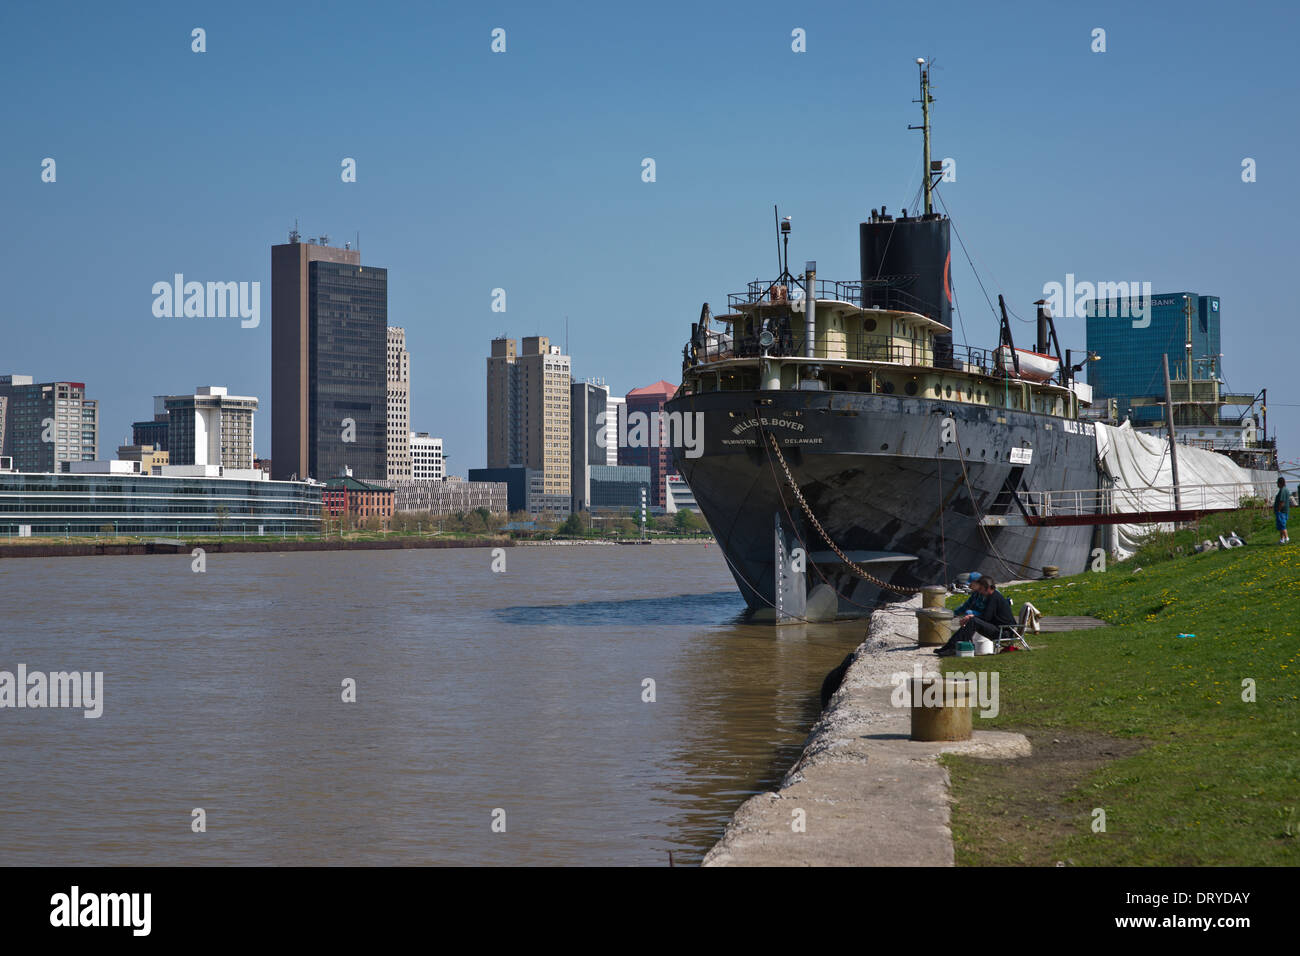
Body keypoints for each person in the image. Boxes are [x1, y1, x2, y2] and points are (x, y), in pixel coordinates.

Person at [935, 577, 1016, 656]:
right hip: (1000, 629)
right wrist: (970, 617)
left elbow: (987, 617)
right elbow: (987, 616)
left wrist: (970, 617)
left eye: (981, 589)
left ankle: (952, 647)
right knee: (971, 622)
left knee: (973, 621)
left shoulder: (993, 597)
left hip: (1004, 632)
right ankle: (949, 646)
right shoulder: (993, 596)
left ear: (987, 588)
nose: (980, 592)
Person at [1276, 477, 1291, 545]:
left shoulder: (1283, 490)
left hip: (1282, 511)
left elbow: (1282, 502)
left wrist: (1278, 510)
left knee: (1282, 525)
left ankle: (1287, 538)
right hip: (1284, 511)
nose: (1277, 484)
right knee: (1280, 526)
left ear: (1280, 483)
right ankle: (1282, 539)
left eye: (1277, 483)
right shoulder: (1286, 490)